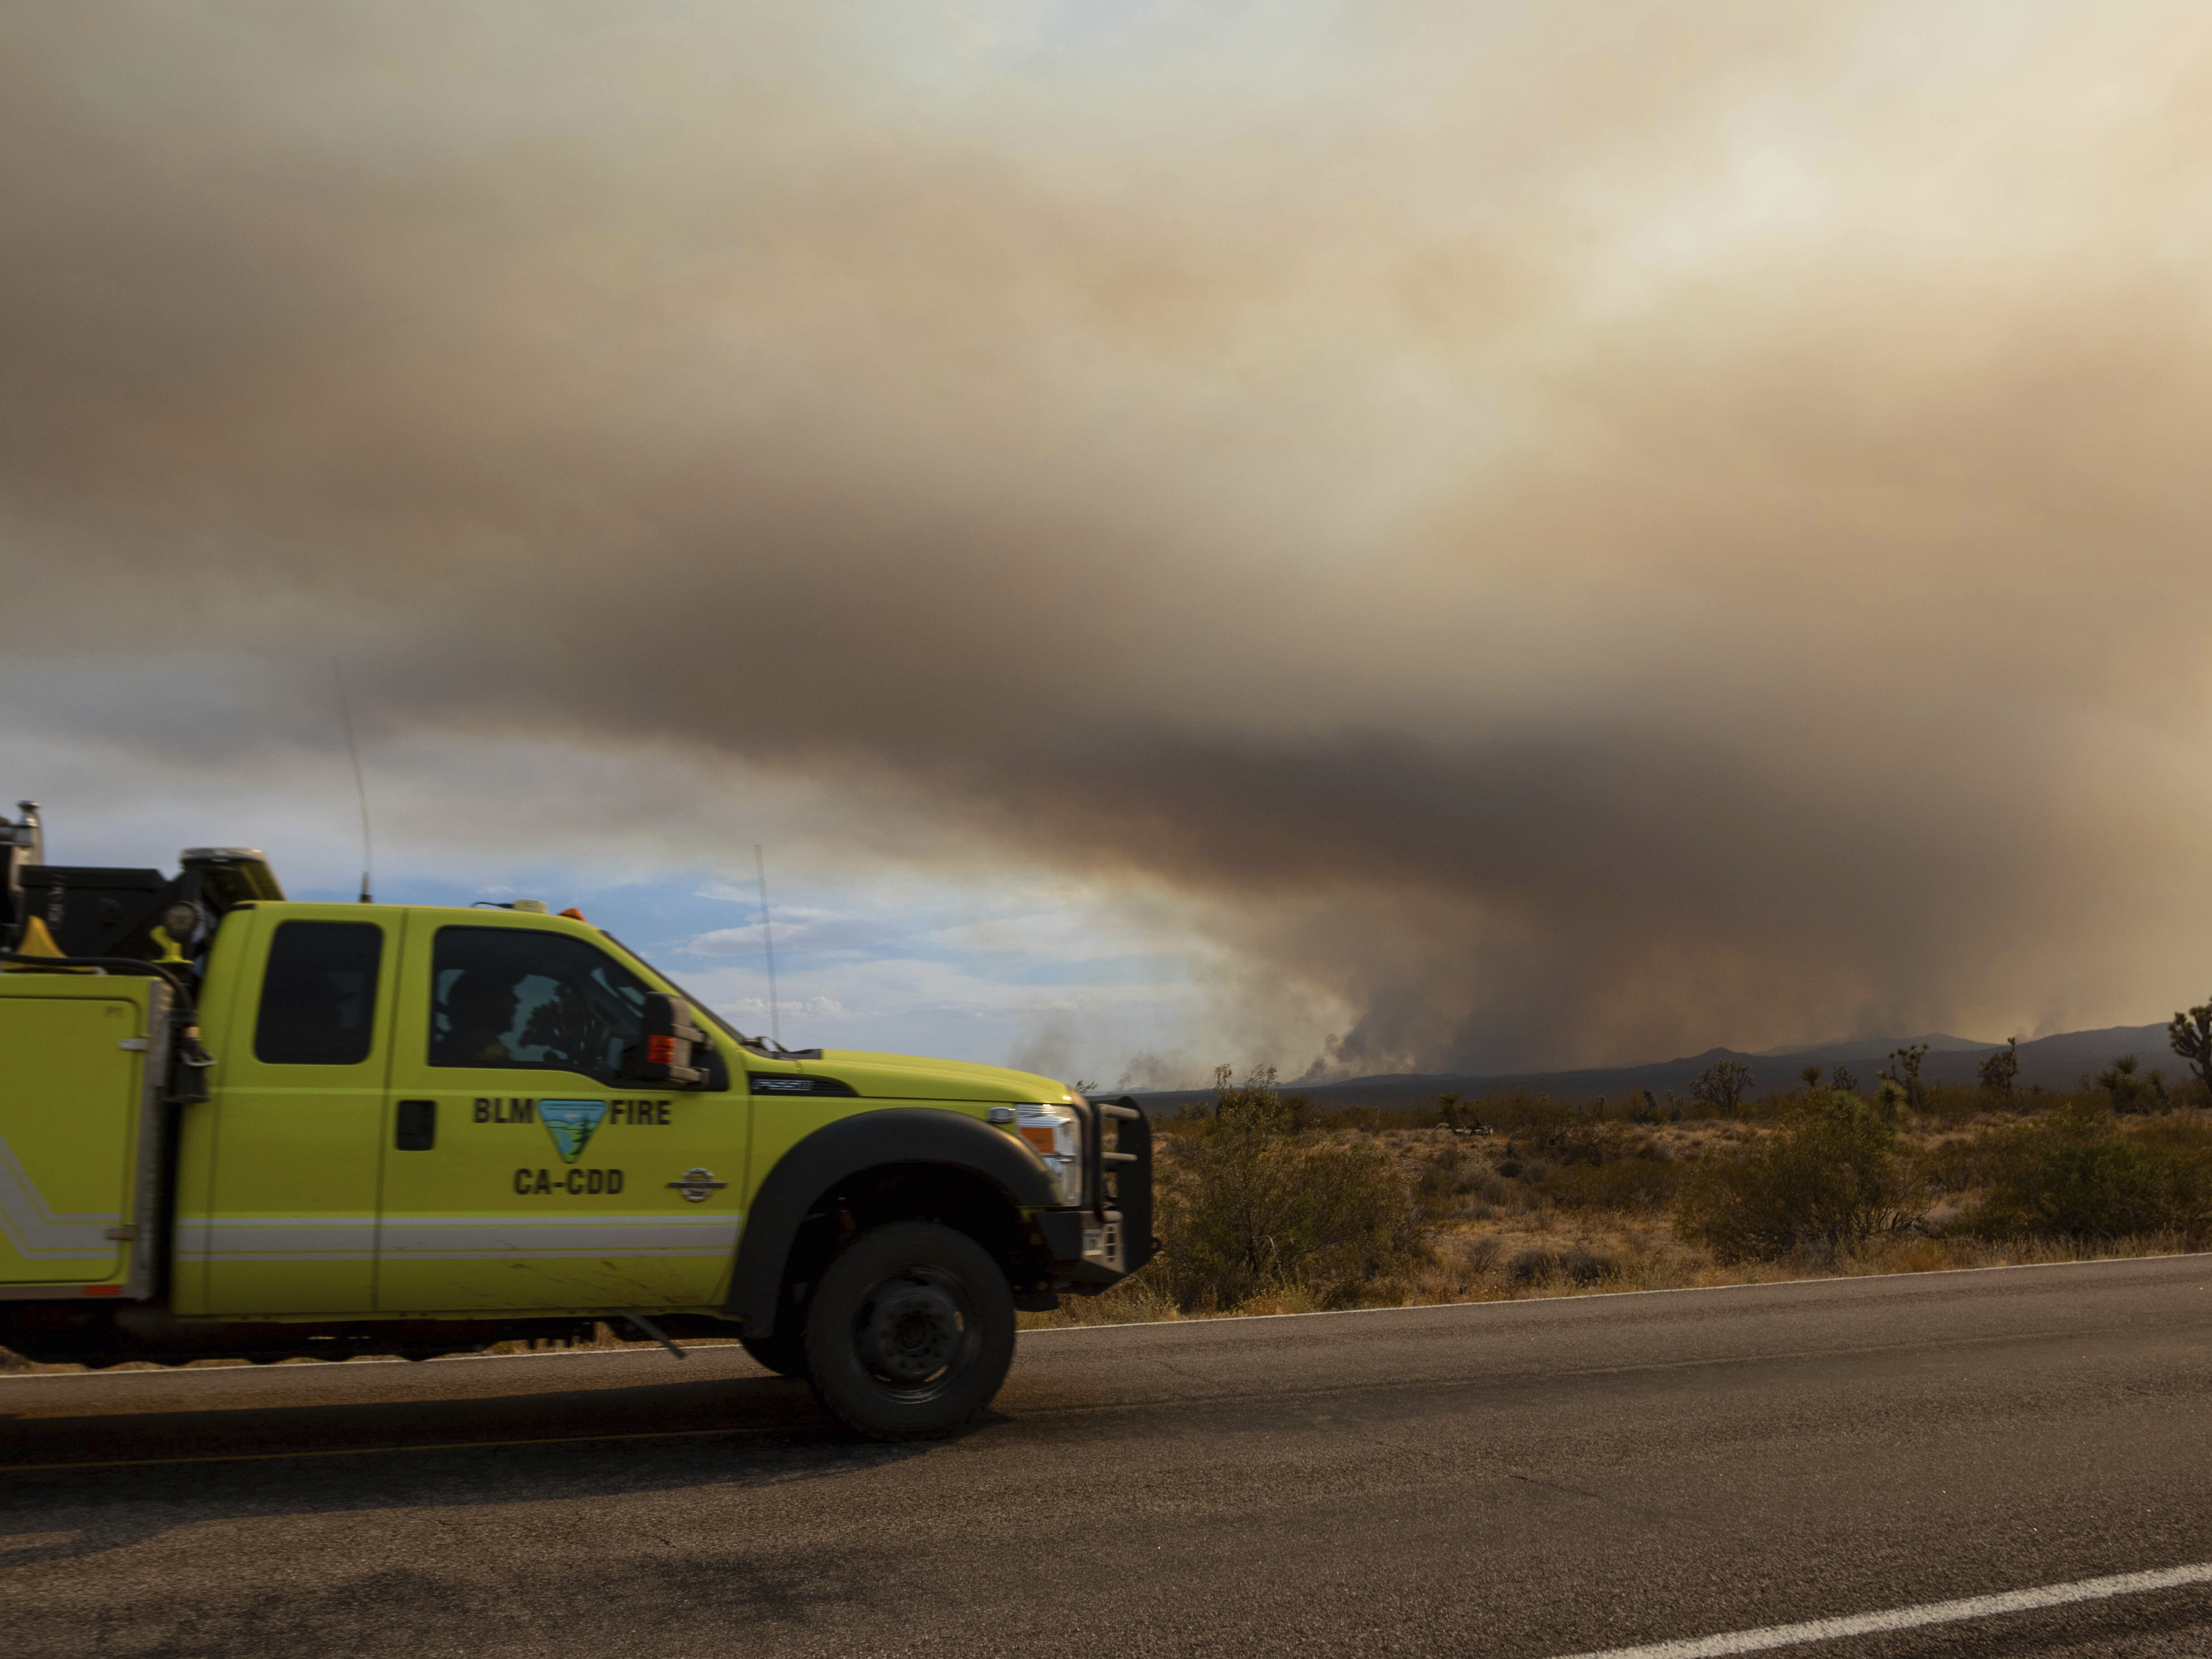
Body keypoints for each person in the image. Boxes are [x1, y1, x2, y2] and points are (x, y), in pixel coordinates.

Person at [436, 971, 521, 1065]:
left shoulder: (451, 1044)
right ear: (480, 1002)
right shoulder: (490, 1053)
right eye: (507, 993)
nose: (517, 1000)